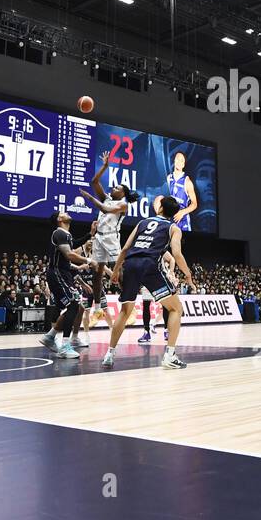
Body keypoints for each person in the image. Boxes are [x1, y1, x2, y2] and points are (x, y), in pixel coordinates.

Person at [104, 195, 197, 370]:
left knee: (124, 312)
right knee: (176, 308)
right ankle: (170, 355)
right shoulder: (174, 228)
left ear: (161, 207)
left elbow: (125, 249)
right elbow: (177, 254)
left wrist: (116, 271)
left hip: (130, 264)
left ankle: (109, 354)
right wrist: (188, 275)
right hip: (149, 265)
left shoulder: (142, 223)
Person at [80, 145, 135, 346]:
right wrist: (104, 167)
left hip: (112, 238)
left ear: (124, 193)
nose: (113, 188)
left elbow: (103, 207)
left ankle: (129, 303)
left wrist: (90, 198)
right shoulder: (109, 197)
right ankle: (97, 307)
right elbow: (94, 181)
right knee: (96, 272)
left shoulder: (123, 205)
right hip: (100, 238)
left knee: (118, 274)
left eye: (118, 188)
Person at [38, 212, 90, 359]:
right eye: (63, 213)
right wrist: (89, 260)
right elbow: (69, 254)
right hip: (57, 274)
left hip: (63, 274)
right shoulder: (59, 233)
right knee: (73, 306)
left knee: (76, 307)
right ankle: (65, 346)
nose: (67, 213)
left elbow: (73, 245)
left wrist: (89, 234)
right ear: (60, 219)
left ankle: (50, 336)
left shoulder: (66, 235)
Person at [165, 150, 198, 232]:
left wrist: (182, 212)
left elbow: (194, 204)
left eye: (181, 160)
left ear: (183, 164)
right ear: (174, 160)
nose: (179, 162)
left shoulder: (187, 181)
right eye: (177, 159)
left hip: (183, 222)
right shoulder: (168, 178)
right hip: (170, 220)